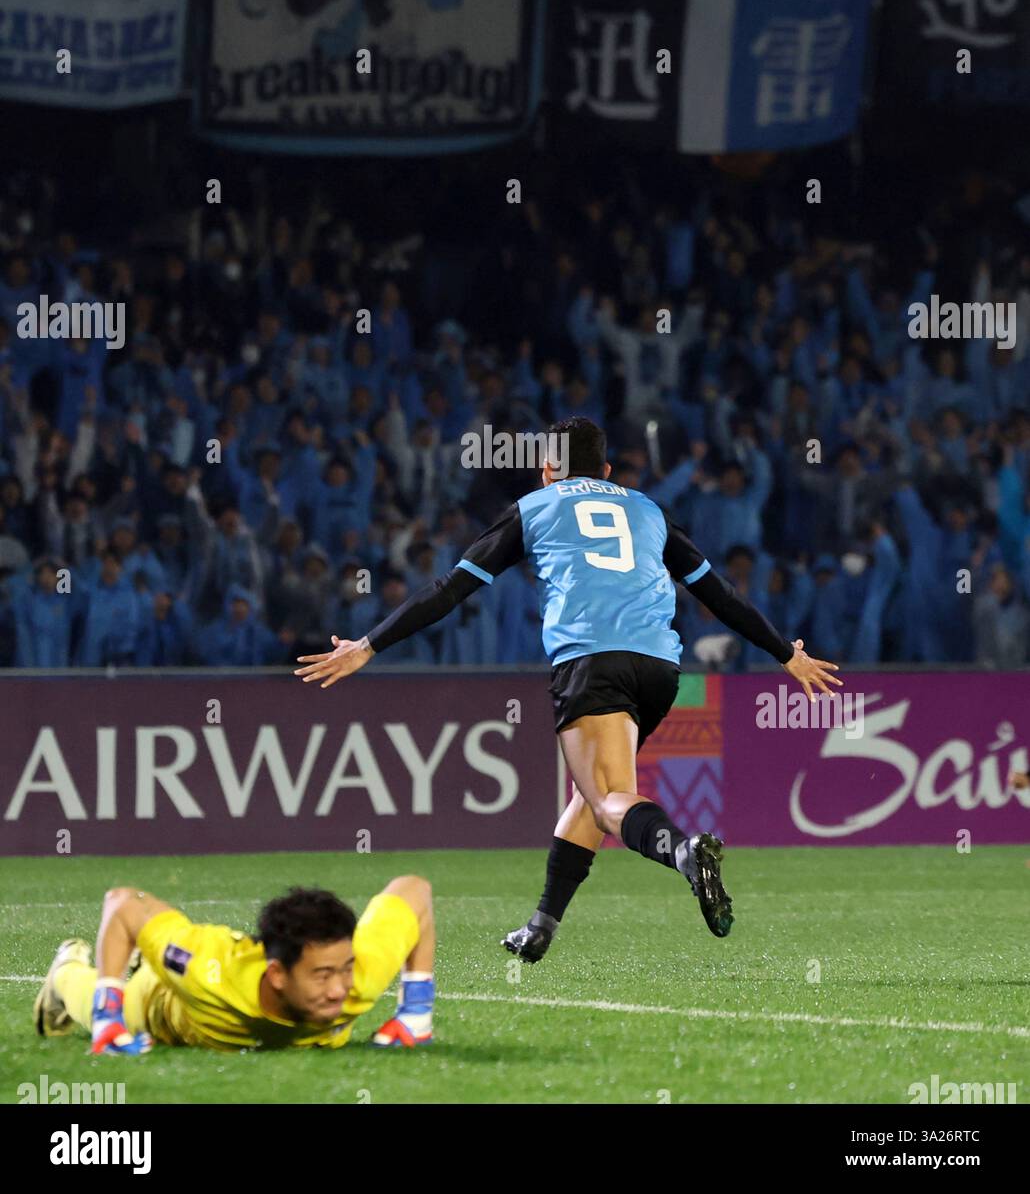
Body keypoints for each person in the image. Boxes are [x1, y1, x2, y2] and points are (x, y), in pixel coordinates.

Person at [296, 417, 841, 962]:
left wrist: (367, 646)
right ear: (606, 470)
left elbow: (448, 589)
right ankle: (541, 926)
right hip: (658, 666)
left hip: (591, 658)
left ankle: (684, 851)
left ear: (546, 470)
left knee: (607, 801)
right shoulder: (647, 509)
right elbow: (718, 593)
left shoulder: (537, 507)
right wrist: (786, 654)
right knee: (593, 796)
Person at [34, 876, 436, 1054]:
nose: (338, 989)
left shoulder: (357, 975)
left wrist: (416, 1011)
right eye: (322, 975)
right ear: (277, 975)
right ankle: (66, 967)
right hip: (164, 1008)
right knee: (84, 995)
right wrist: (108, 1015)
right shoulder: (208, 969)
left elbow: (414, 890)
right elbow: (122, 903)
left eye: (343, 970)